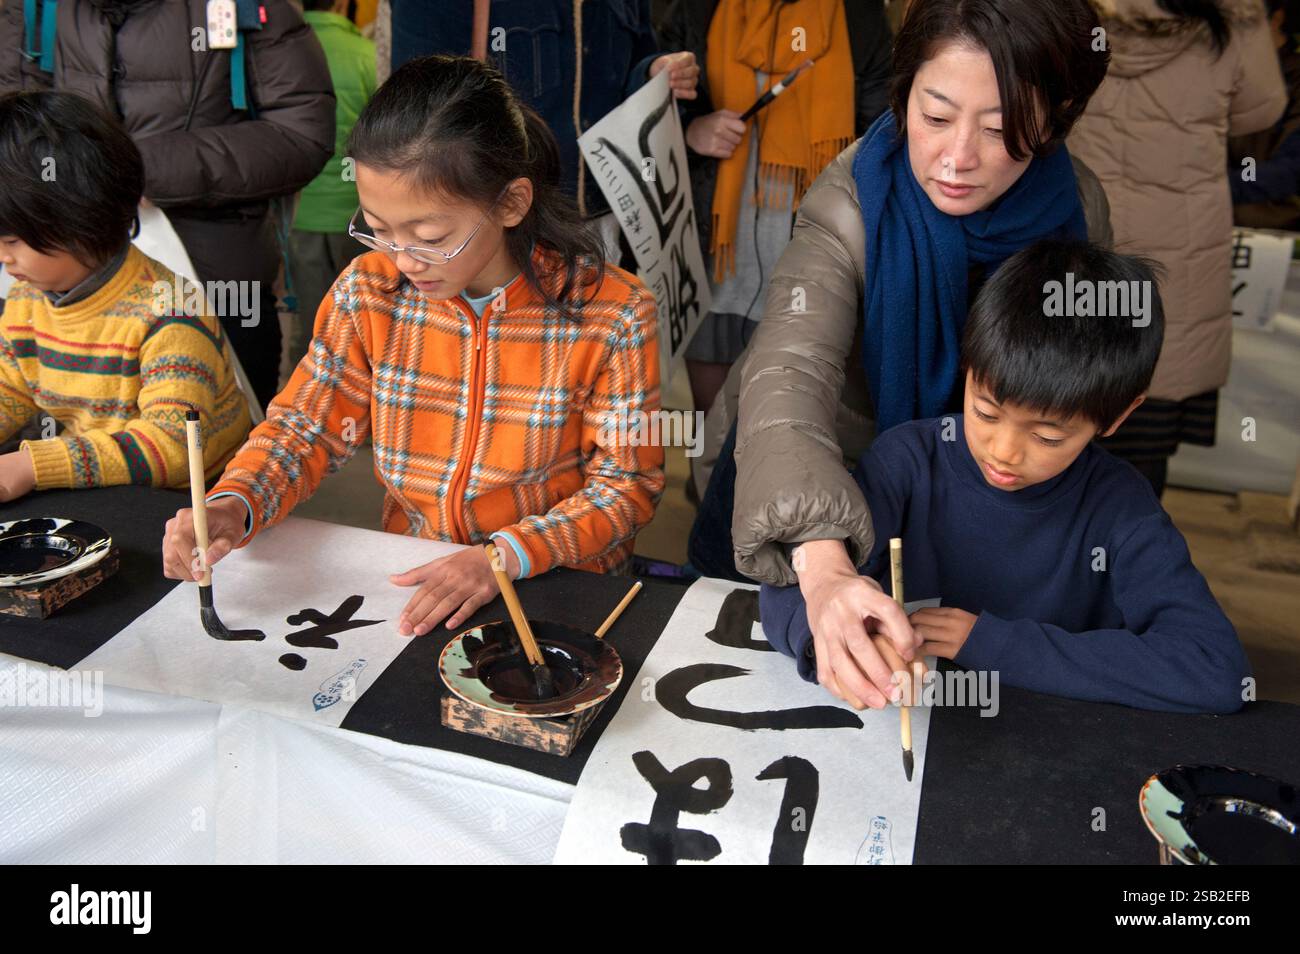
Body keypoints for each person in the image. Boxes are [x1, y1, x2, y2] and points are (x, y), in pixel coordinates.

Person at [690, 0, 1114, 710]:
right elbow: (792, 369)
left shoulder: (1077, 211)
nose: (957, 158)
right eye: (937, 115)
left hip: (963, 505)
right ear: (904, 89)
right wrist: (823, 569)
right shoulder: (855, 198)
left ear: (1057, 116)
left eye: (1002, 128)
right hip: (798, 477)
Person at [160, 56, 665, 639]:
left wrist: (505, 556)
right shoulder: (369, 293)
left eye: (430, 238)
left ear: (510, 203)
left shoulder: (611, 312)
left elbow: (626, 486)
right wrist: (236, 503)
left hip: (557, 582)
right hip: (416, 578)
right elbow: (306, 428)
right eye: (378, 227)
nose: (402, 259)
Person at [761, 240, 1250, 715]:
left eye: (1048, 437)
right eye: (986, 412)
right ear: (968, 366)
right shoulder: (908, 462)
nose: (1004, 452)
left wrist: (993, 644)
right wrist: (834, 638)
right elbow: (788, 583)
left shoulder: (1120, 508)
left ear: (1119, 416)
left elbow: (1216, 670)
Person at [0, 0, 336, 411]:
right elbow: (14, 126)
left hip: (218, 279)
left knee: (220, 448)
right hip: (57, 285)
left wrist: (128, 165)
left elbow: (301, 132)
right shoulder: (34, 6)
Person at [1069, 0, 1286, 496]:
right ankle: (1135, 558)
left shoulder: (1077, 11)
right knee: (1148, 431)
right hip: (1179, 251)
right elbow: (1264, 107)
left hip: (1083, 229)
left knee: (1059, 402)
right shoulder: (1233, 15)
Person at [0, 91, 251, 501]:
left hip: (194, 503)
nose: (2, 257)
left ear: (80, 219)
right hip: (102, 484)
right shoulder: (27, 297)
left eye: (11, 239)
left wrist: (32, 464)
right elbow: (10, 387)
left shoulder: (167, 311)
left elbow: (174, 448)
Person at [657, 0, 893, 427]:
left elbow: (882, 137)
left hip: (808, 259)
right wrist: (692, 128)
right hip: (716, 253)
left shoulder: (861, 18)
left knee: (785, 421)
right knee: (709, 427)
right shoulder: (699, 10)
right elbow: (645, 100)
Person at [287, 0, 377, 372]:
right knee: (368, 323)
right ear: (342, 3)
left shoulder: (283, 50)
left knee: (311, 325)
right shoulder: (366, 54)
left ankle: (306, 407)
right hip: (360, 215)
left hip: (302, 212)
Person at [1229, 0, 1300, 229]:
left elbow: (1290, 169)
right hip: (1211, 219)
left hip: (1277, 226)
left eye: (1246, 21)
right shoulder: (1219, 75)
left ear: (1276, 19)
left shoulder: (1295, 79)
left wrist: (1220, 187)